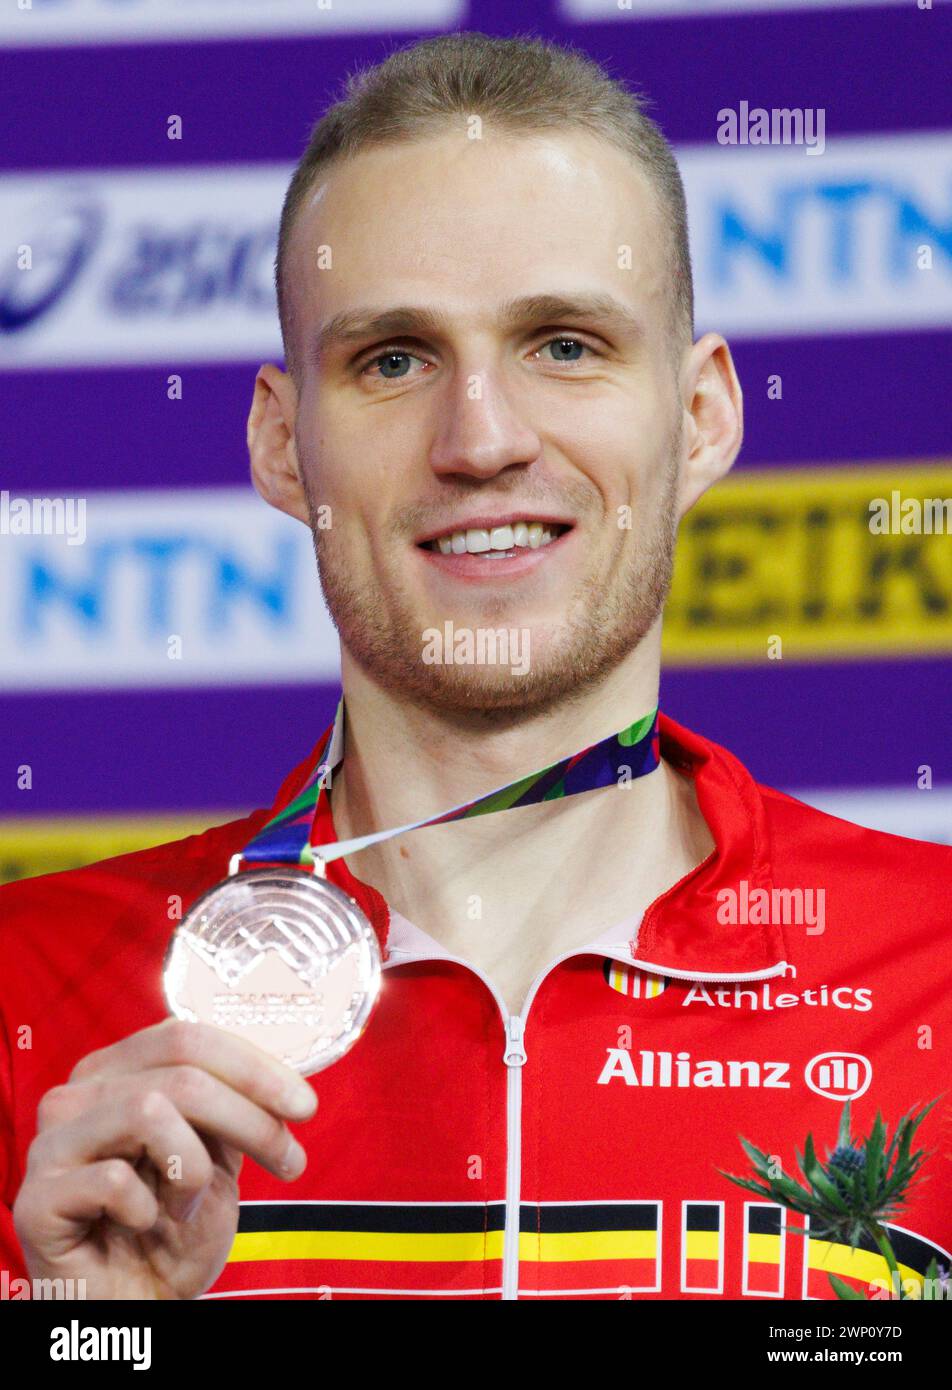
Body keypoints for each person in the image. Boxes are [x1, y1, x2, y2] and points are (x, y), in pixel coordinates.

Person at [2, 32, 949, 1303]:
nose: (481, 439)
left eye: (563, 343)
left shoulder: (932, 966)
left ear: (699, 416)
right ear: (285, 446)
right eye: (393, 359)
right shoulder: (27, 999)